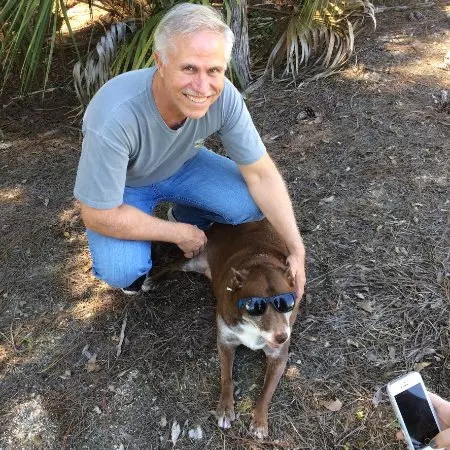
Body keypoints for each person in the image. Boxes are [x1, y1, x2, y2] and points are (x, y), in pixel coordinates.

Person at [74, 3, 305, 297]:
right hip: (125, 188)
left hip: (182, 165)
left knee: (250, 204)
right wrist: (179, 234)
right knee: (122, 271)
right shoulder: (114, 115)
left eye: (214, 70)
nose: (202, 86)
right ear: (160, 61)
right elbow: (97, 215)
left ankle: (182, 212)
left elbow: (261, 174)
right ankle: (164, 233)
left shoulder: (225, 98)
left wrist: (296, 250)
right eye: (189, 68)